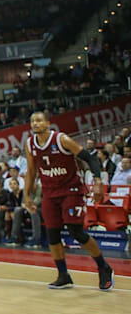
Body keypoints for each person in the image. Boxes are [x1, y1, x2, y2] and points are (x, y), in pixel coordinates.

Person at [24, 111, 114, 290]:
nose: (35, 123)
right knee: (52, 234)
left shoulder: (61, 139)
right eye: (32, 121)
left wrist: (97, 181)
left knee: (76, 231)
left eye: (39, 120)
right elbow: (32, 171)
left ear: (48, 123)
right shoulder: (30, 144)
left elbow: (89, 158)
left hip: (71, 190)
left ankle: (104, 267)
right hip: (49, 192)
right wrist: (27, 195)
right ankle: (63, 274)